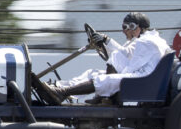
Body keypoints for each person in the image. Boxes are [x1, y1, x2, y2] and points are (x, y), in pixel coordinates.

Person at [34, 12, 172, 104]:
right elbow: (126, 54)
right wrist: (105, 42)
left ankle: (63, 92)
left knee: (104, 78)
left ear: (136, 27)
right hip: (145, 78)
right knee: (92, 73)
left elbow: (128, 64)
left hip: (144, 81)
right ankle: (58, 89)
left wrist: (111, 76)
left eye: (126, 27)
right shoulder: (146, 40)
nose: (124, 30)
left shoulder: (145, 42)